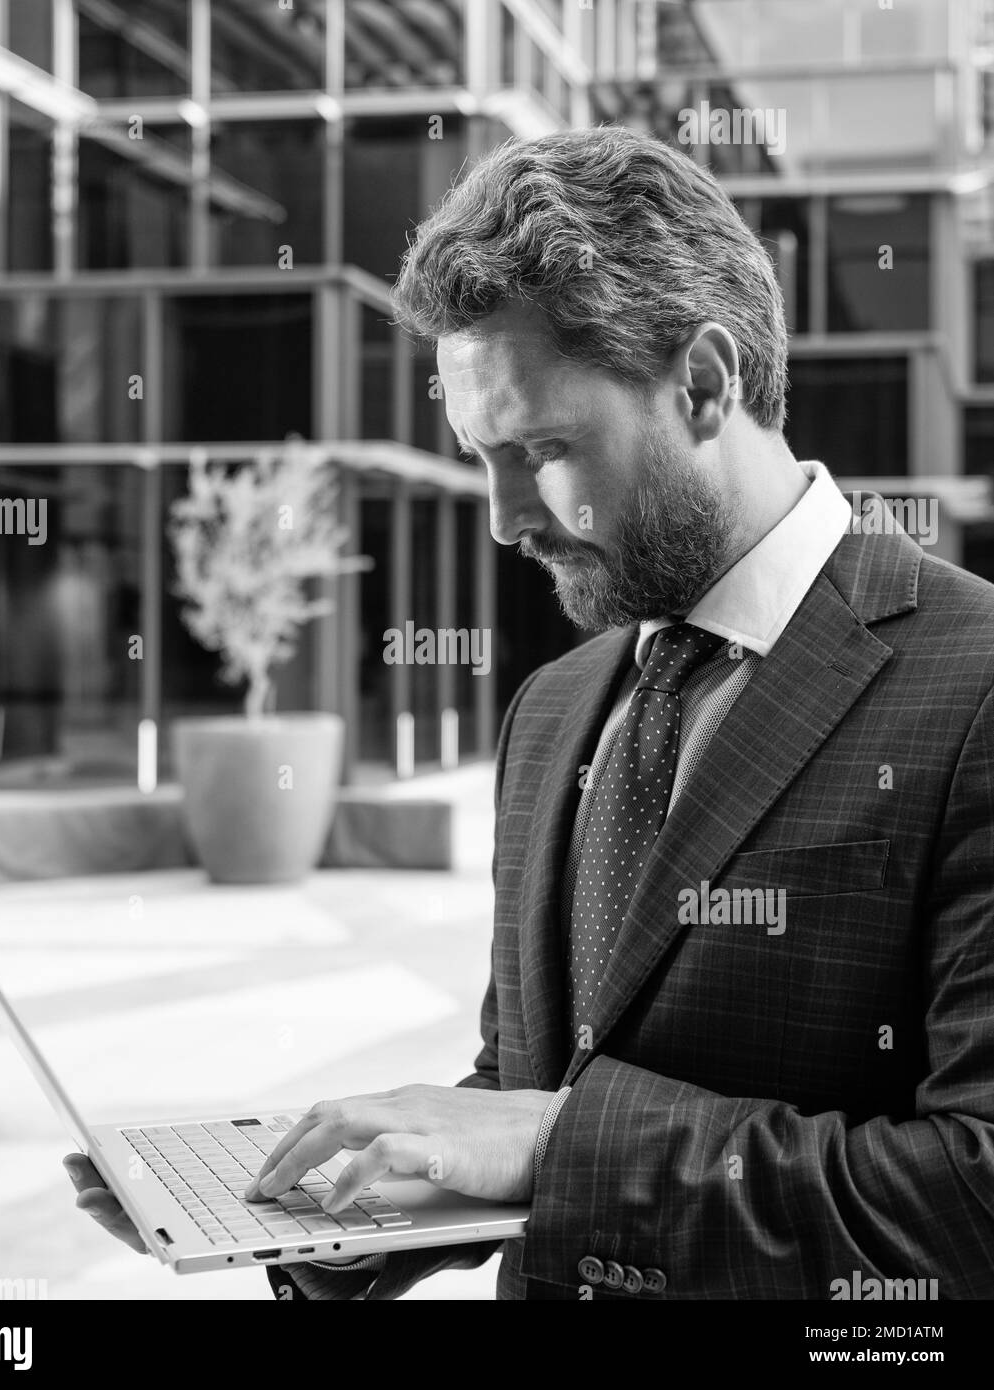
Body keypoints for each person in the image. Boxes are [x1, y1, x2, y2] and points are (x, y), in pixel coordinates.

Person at [67, 126, 994, 1300]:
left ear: (703, 383)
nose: (504, 519)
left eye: (543, 448)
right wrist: (321, 1215)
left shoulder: (976, 683)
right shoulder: (553, 712)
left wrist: (560, 1145)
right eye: (478, 455)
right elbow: (523, 1085)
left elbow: (972, 1197)